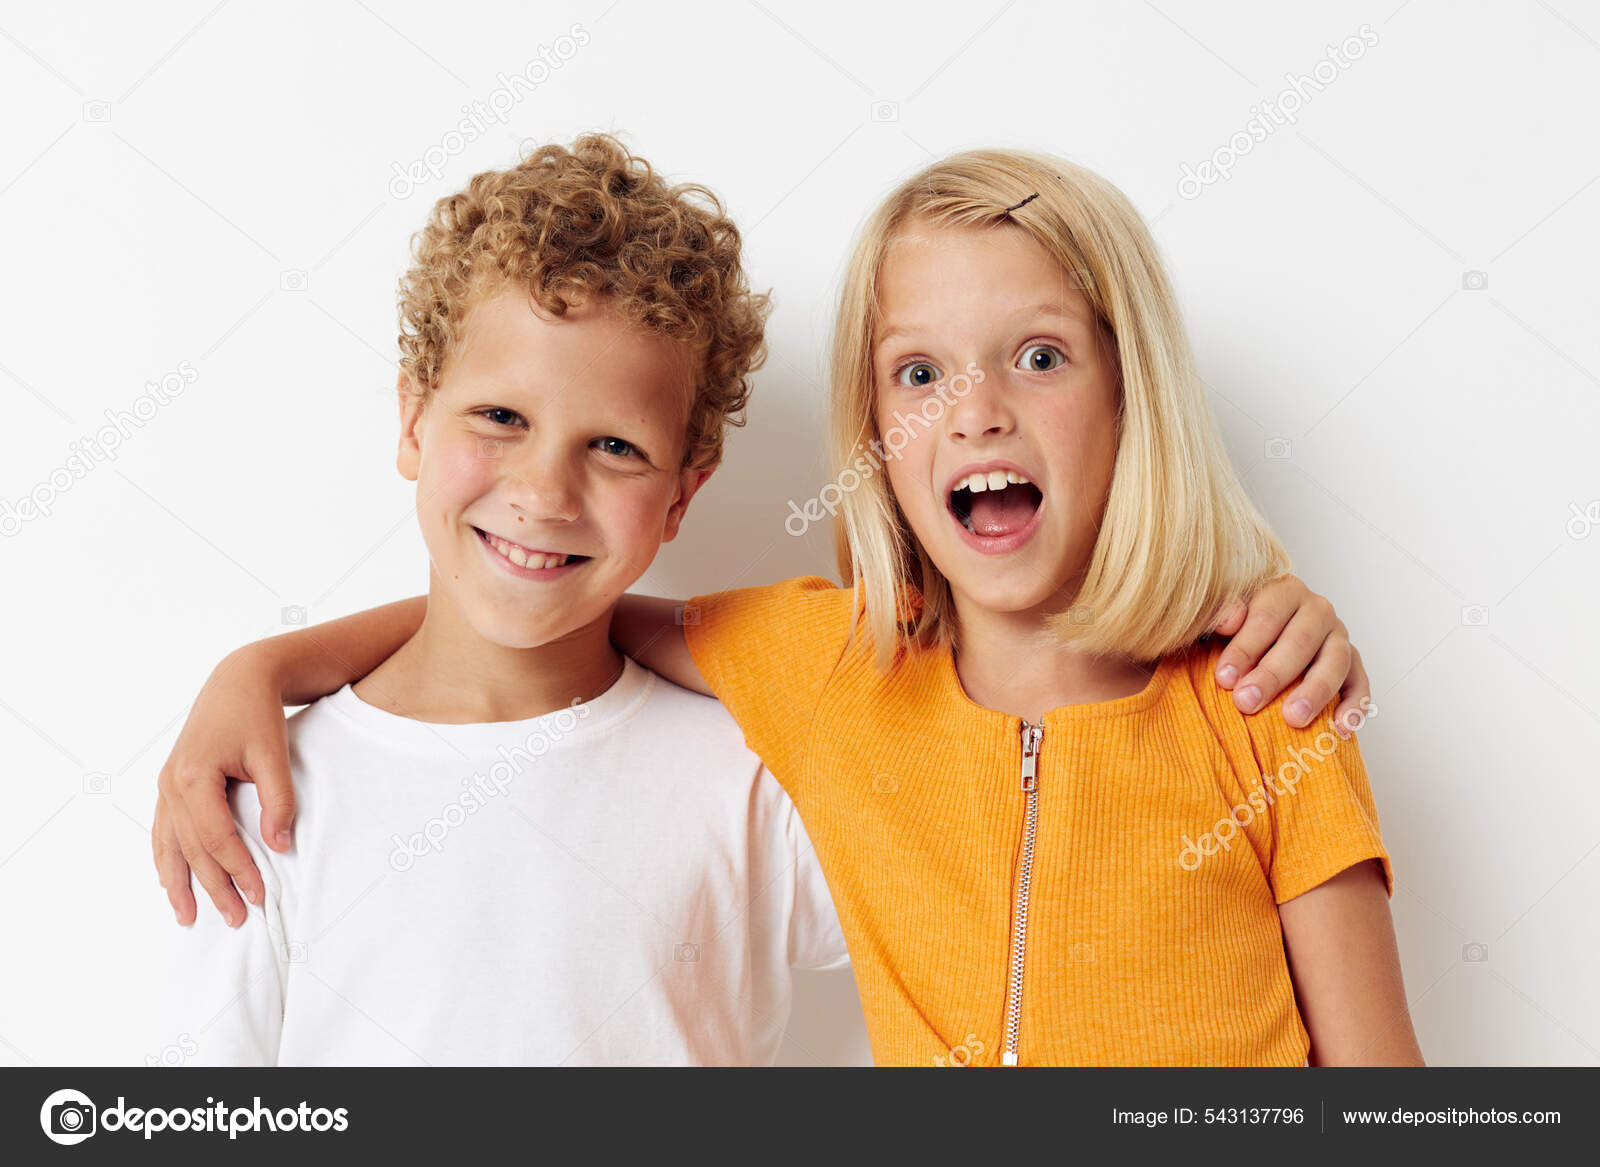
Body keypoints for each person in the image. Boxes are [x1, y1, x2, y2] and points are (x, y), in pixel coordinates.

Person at [154, 145, 1394, 1066]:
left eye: (1038, 356)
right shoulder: (832, 675)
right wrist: (261, 669)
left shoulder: (1265, 704)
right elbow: (553, 622)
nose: (975, 412)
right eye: (920, 372)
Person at [158, 134, 846, 1066]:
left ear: (682, 495)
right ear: (413, 420)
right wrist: (260, 668)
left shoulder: (755, 779)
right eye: (501, 417)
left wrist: (268, 662)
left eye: (615, 446)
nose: (546, 493)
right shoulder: (265, 793)